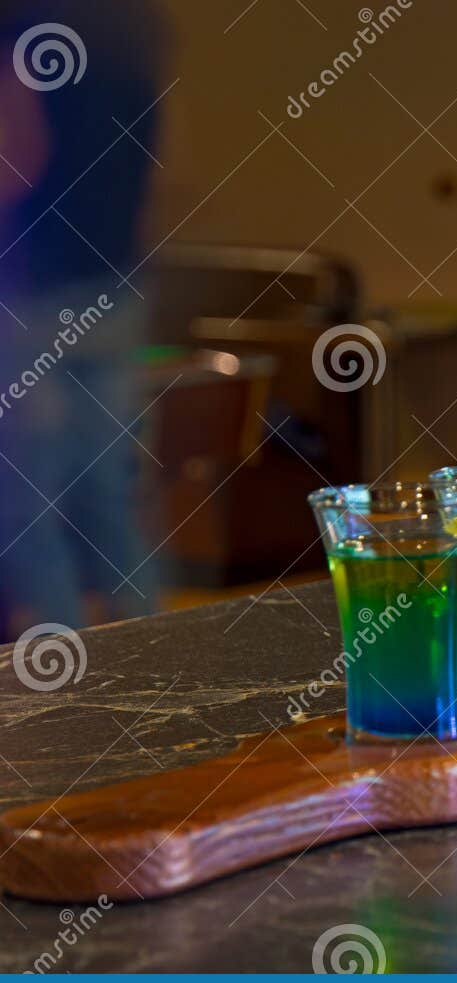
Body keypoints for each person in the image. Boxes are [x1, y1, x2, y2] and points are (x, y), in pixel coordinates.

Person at [0, 2, 171, 636]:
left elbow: (17, 154)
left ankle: (62, 695)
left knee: (27, 512)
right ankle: (157, 673)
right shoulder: (135, 24)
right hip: (118, 286)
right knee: (110, 501)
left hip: (32, 299)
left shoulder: (21, 22)